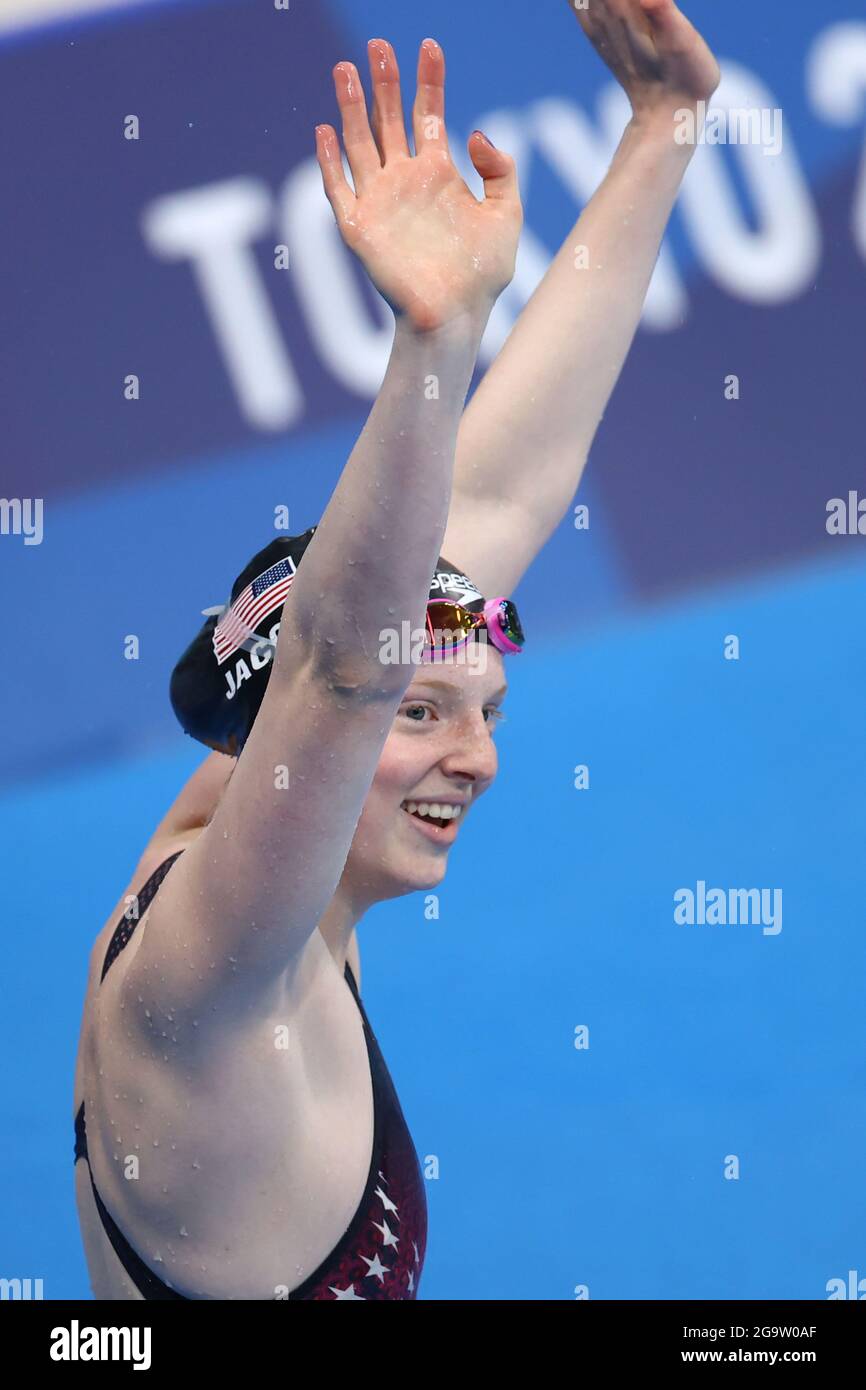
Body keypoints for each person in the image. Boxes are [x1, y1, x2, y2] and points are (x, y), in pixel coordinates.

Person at [73, 2, 720, 1300]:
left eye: (481, 705)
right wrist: (432, 341)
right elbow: (339, 665)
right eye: (423, 713)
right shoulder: (208, 978)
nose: (475, 756)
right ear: (295, 734)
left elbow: (498, 498)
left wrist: (665, 128)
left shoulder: (244, 831)